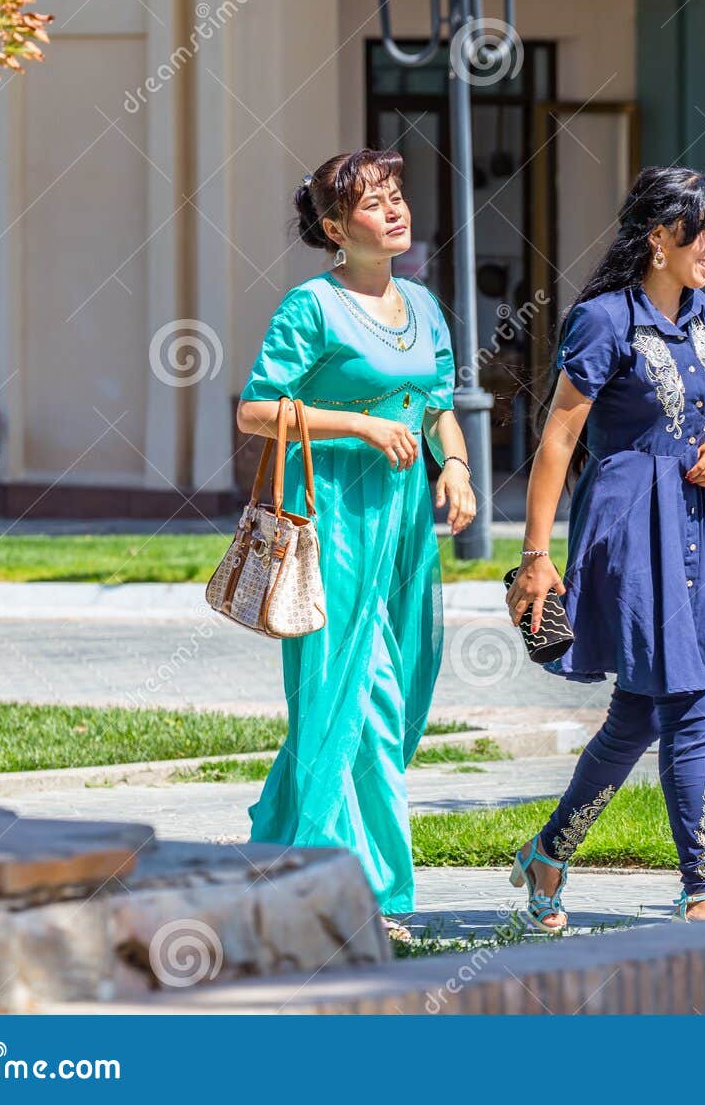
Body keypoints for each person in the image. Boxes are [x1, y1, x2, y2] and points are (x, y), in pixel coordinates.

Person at [236, 149, 476, 942]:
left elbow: (436, 400)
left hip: (403, 520)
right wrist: (362, 424)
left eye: (398, 197)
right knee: (356, 692)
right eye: (375, 204)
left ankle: (282, 846)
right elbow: (257, 409)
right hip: (332, 512)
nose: (396, 211)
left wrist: (459, 469)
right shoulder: (312, 306)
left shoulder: (422, 304)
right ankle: (366, 892)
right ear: (337, 229)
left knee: (399, 685)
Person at [505, 167, 705, 929]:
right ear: (656, 237)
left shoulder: (702, 310)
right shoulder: (605, 320)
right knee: (688, 700)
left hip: (696, 519)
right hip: (631, 520)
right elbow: (558, 437)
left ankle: (549, 853)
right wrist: (536, 556)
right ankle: (702, 884)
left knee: (639, 711)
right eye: (699, 228)